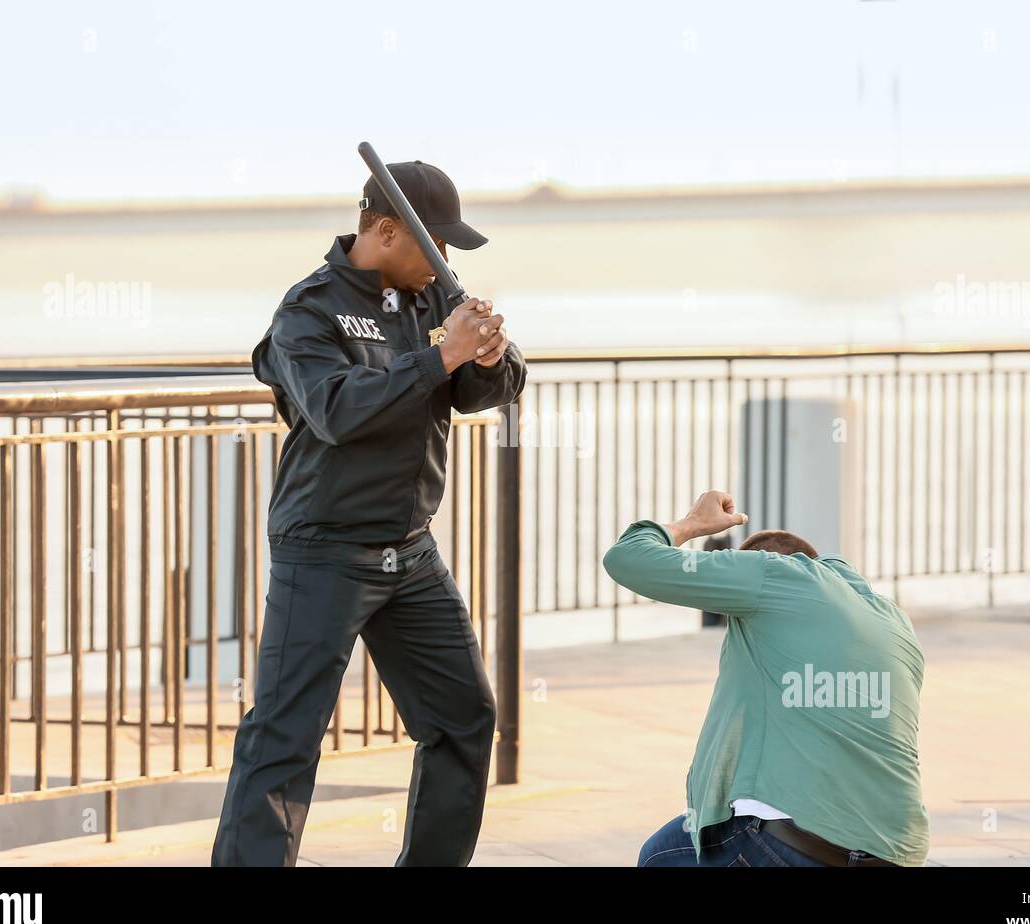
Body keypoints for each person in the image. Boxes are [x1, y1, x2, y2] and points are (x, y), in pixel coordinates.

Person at [211, 159, 527, 866]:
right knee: (285, 739)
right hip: (325, 550)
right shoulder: (308, 311)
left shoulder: (429, 300)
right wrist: (438, 358)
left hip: (410, 554)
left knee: (464, 718)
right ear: (386, 232)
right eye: (434, 244)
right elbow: (335, 411)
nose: (445, 262)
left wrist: (485, 358)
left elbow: (488, 392)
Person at [602, 490, 929, 867]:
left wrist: (692, 524)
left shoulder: (775, 574)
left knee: (661, 855)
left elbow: (627, 559)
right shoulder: (892, 619)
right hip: (897, 852)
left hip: (795, 844)